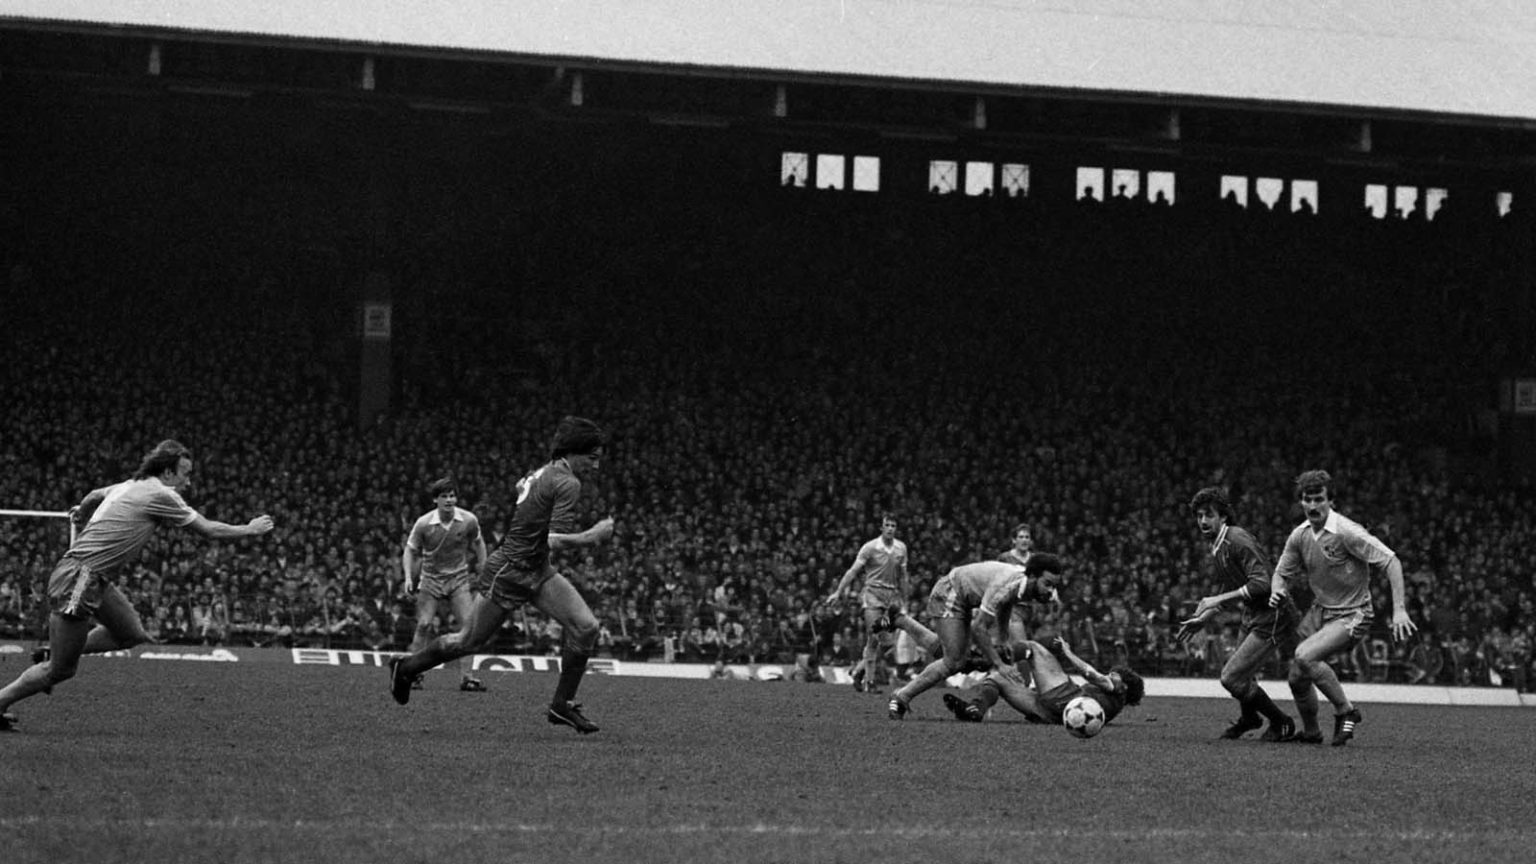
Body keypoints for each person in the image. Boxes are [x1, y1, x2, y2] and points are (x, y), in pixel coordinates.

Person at [0, 440, 275, 731]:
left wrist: (82, 511)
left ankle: (51, 650)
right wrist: (250, 529)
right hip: (80, 577)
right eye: (185, 473)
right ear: (167, 472)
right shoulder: (161, 493)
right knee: (61, 670)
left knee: (130, 633)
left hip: (92, 577)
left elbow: (95, 494)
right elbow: (208, 529)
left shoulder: (128, 485)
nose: (188, 481)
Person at [388, 416, 615, 734]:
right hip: (509, 571)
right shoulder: (568, 483)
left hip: (536, 568)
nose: (596, 466)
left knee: (586, 628)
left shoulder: (545, 471)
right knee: (467, 641)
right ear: (575, 452)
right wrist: (594, 534)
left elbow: (521, 486)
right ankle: (406, 667)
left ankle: (561, 706)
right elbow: (552, 537)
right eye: (592, 458)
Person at [1269, 470, 1416, 746]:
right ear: (1301, 502)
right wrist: (1278, 588)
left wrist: (1399, 610)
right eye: (1307, 499)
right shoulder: (1299, 536)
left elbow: (1391, 561)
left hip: (1354, 614)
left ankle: (1347, 711)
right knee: (1296, 677)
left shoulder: (1348, 532)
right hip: (1323, 613)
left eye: (1319, 499)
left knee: (1304, 655)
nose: (1313, 505)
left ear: (1330, 501)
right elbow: (1280, 574)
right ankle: (1312, 732)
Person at [1175, 487, 1298, 741]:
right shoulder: (1217, 546)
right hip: (1253, 613)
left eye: (1208, 515)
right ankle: (1250, 718)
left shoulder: (1237, 539)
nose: (1203, 521)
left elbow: (1262, 583)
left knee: (1231, 677)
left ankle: (1282, 722)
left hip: (1273, 614)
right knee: (1241, 676)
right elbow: (1231, 587)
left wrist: (1216, 600)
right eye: (1199, 516)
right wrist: (1204, 618)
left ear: (1223, 517)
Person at [886, 555, 1064, 720]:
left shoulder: (1023, 584)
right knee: (954, 661)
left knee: (959, 659)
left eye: (1054, 586)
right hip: (950, 592)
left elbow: (1006, 606)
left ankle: (901, 621)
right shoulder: (1007, 584)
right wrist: (999, 664)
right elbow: (978, 628)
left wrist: (1003, 640)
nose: (1050, 591)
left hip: (963, 598)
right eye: (1047, 584)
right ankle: (901, 697)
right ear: (1033, 576)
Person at [825, 515, 939, 693]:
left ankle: (858, 671)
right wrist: (838, 592)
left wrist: (905, 600)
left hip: (891, 598)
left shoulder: (901, 548)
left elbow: (903, 577)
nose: (890, 528)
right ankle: (869, 683)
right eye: (887, 525)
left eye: (893, 525)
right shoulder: (870, 547)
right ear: (882, 527)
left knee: (887, 643)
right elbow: (853, 570)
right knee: (874, 637)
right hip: (871, 595)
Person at [401, 476, 489, 692]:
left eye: (452, 496)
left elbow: (479, 543)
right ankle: (412, 674)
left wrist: (485, 569)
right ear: (435, 500)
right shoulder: (423, 523)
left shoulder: (468, 520)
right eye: (444, 496)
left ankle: (467, 678)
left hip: (458, 578)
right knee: (423, 625)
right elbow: (410, 550)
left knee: (469, 627)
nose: (449, 500)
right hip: (431, 579)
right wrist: (408, 577)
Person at [943, 636, 1144, 728]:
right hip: (1055, 715)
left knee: (1034, 648)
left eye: (1114, 674)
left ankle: (978, 660)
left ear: (1125, 686)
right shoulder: (1114, 705)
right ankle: (975, 710)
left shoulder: (1117, 689)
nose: (1109, 675)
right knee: (997, 678)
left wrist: (1067, 651)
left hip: (1065, 698)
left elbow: (1091, 674)